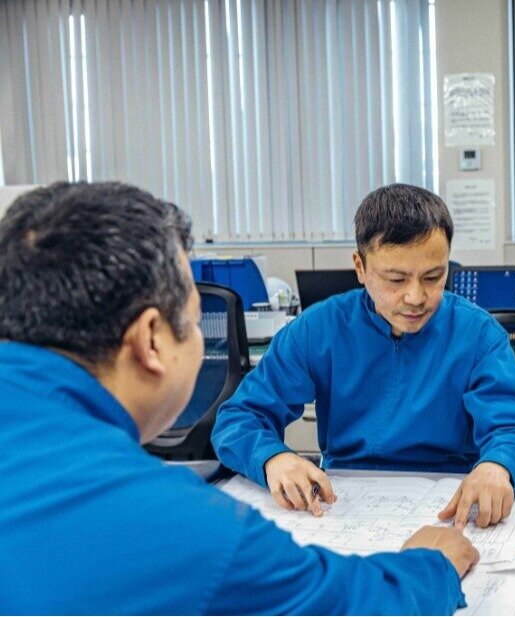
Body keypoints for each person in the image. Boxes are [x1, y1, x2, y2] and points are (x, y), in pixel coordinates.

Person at [0, 182, 477, 614]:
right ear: (151, 340)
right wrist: (431, 566)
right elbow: (355, 603)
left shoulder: (473, 330)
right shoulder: (181, 528)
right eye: (193, 320)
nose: (414, 296)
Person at [212, 183, 515, 528]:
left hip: (452, 507)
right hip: (343, 506)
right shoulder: (319, 328)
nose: (416, 297)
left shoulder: (478, 334)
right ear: (360, 267)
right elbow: (241, 417)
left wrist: (498, 466)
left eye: (433, 276)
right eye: (396, 279)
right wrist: (273, 458)